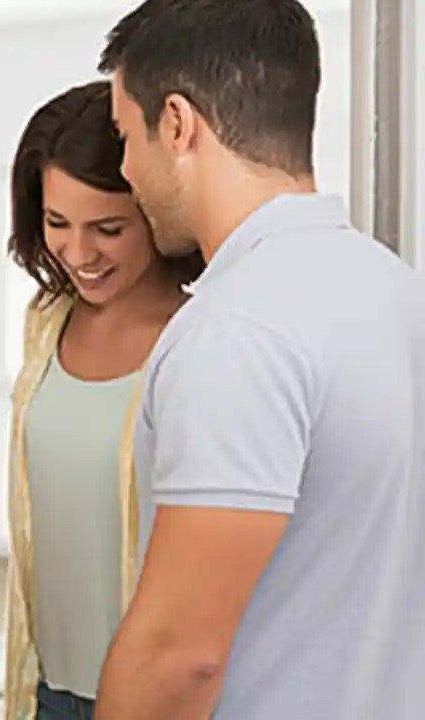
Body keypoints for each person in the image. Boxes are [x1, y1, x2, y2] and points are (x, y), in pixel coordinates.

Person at [93, 1, 425, 718]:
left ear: (177, 124)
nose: (125, 167)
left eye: (126, 136)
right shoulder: (396, 293)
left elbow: (178, 657)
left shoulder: (235, 329)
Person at [2, 81, 202, 720]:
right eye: (57, 223)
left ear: (156, 211)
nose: (79, 254)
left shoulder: (205, 341)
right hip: (49, 693)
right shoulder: (46, 322)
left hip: (161, 702)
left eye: (108, 228)